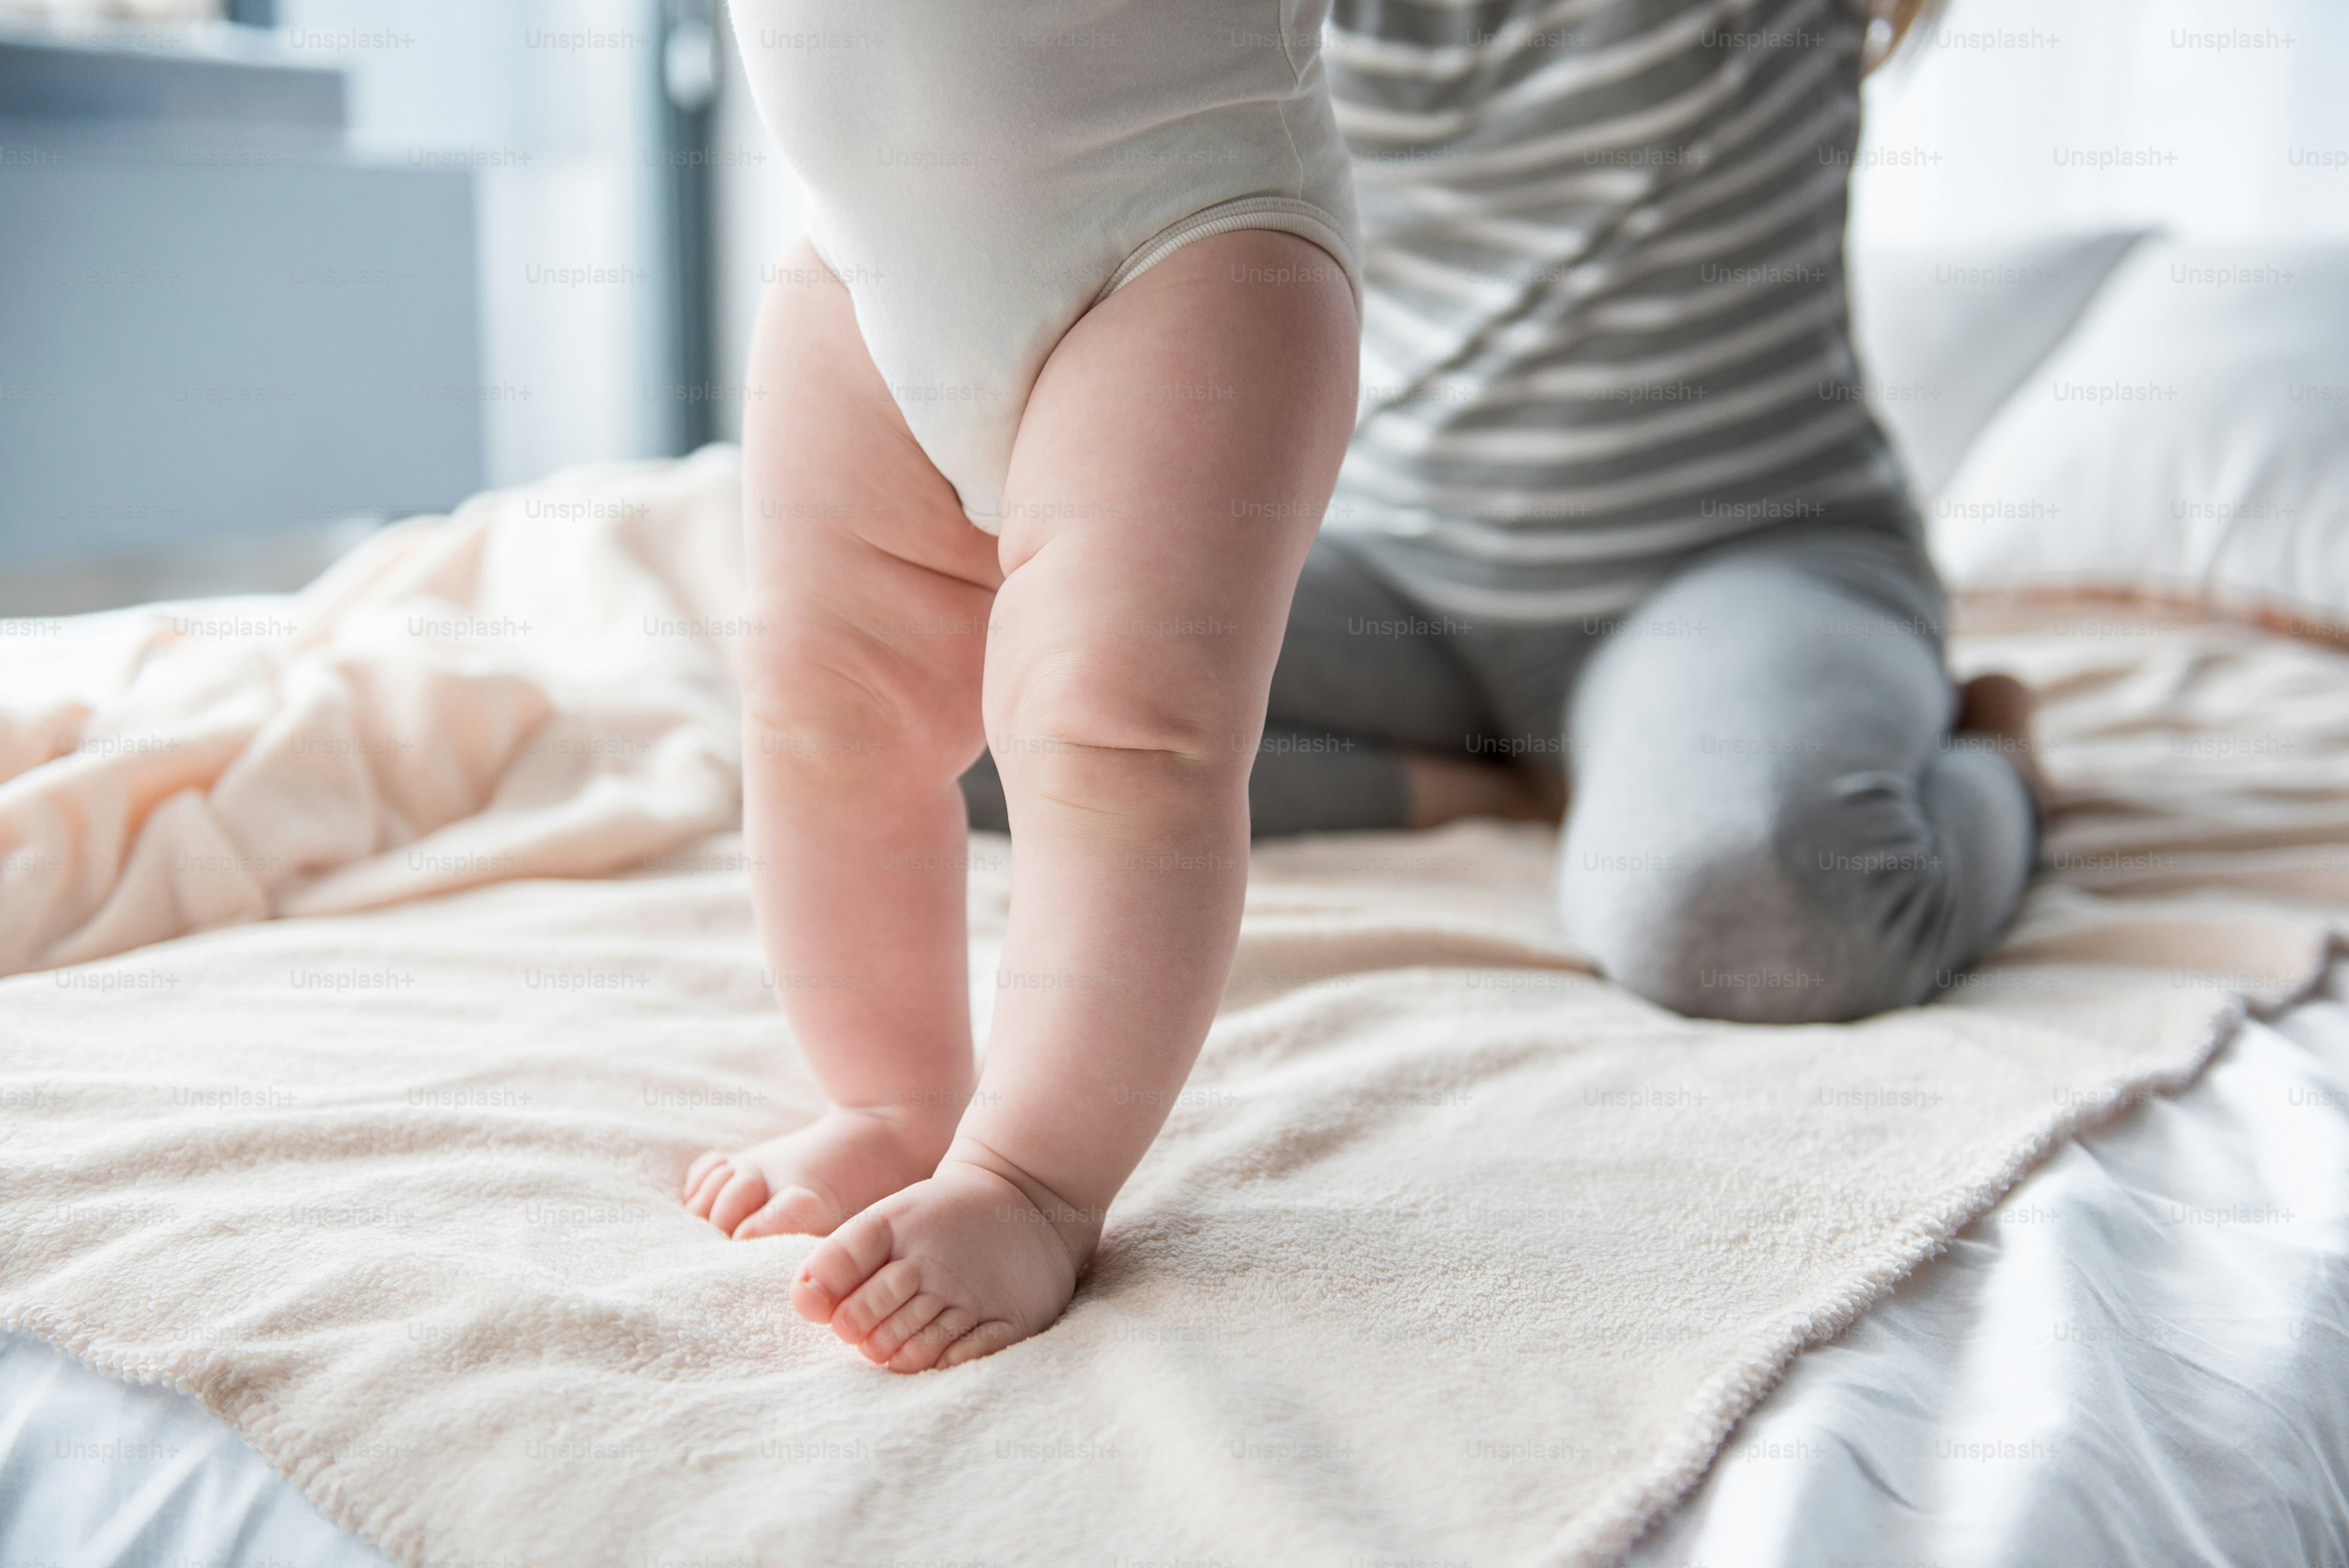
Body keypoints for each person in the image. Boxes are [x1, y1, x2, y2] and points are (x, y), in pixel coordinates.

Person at [683, 2, 1365, 1371]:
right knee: (819, 709)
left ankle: (1035, 1182)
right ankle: (891, 1096)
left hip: (1190, 238)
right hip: (866, 266)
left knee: (1119, 730)